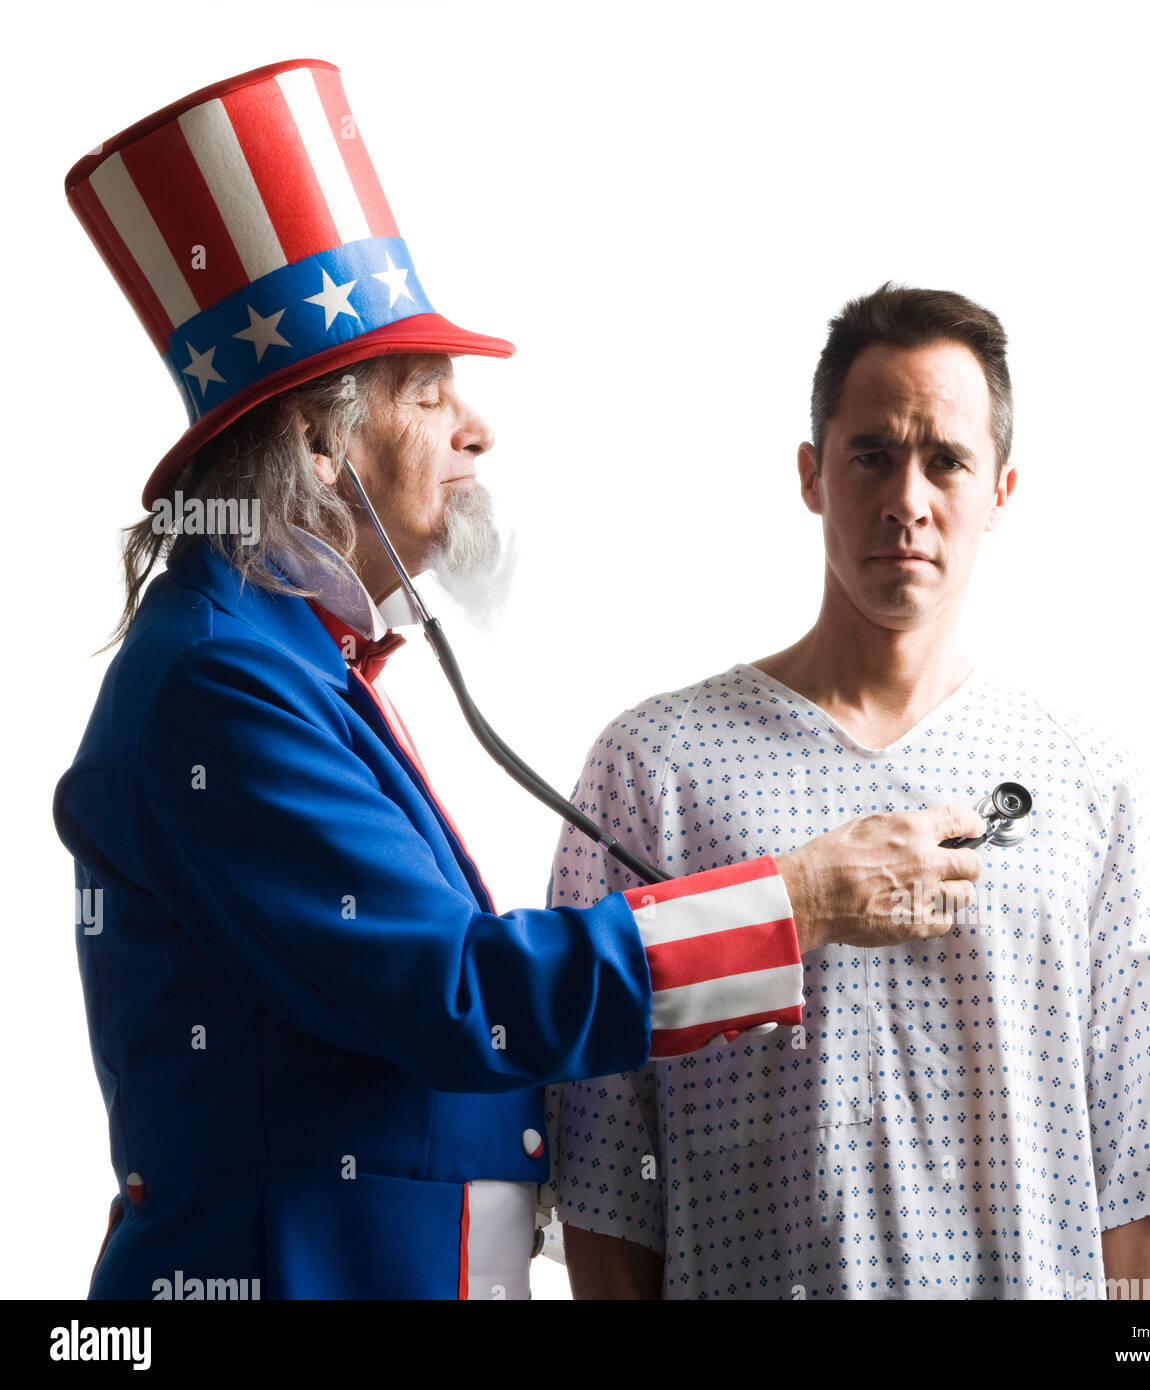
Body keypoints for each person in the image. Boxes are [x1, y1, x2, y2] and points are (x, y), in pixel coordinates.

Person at [55, 64, 987, 1300]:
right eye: (429, 393)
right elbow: (462, 992)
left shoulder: (278, 655)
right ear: (323, 441)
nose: (474, 430)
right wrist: (802, 895)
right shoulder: (223, 683)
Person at [545, 283, 1150, 1300]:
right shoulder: (655, 770)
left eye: (946, 459)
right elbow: (607, 1164)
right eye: (871, 452)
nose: (906, 497)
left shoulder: (1089, 786)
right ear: (811, 475)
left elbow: (1149, 1162)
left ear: (1000, 490)